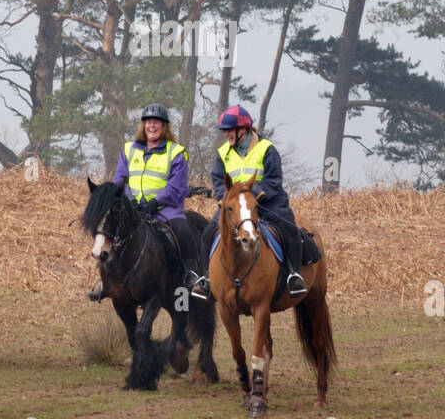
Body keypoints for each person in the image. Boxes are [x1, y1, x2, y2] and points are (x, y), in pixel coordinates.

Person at [188, 105, 318, 301]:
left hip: (268, 202)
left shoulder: (267, 149)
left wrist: (250, 196)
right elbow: (217, 179)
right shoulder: (223, 153)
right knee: (207, 235)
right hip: (235, 206)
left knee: (289, 228)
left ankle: (294, 274)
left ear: (244, 129)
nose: (226, 135)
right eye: (225, 131)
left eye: (230, 130)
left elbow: (273, 180)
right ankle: (206, 280)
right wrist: (229, 198)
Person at [88, 103, 199, 301]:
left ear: (165, 126)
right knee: (110, 232)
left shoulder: (175, 152)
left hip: (166, 210)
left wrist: (155, 202)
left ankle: (192, 277)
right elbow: (120, 181)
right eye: (148, 122)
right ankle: (106, 282)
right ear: (143, 125)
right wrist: (130, 202)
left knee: (183, 230)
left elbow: (177, 186)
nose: (152, 126)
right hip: (134, 209)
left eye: (157, 122)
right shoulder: (129, 150)